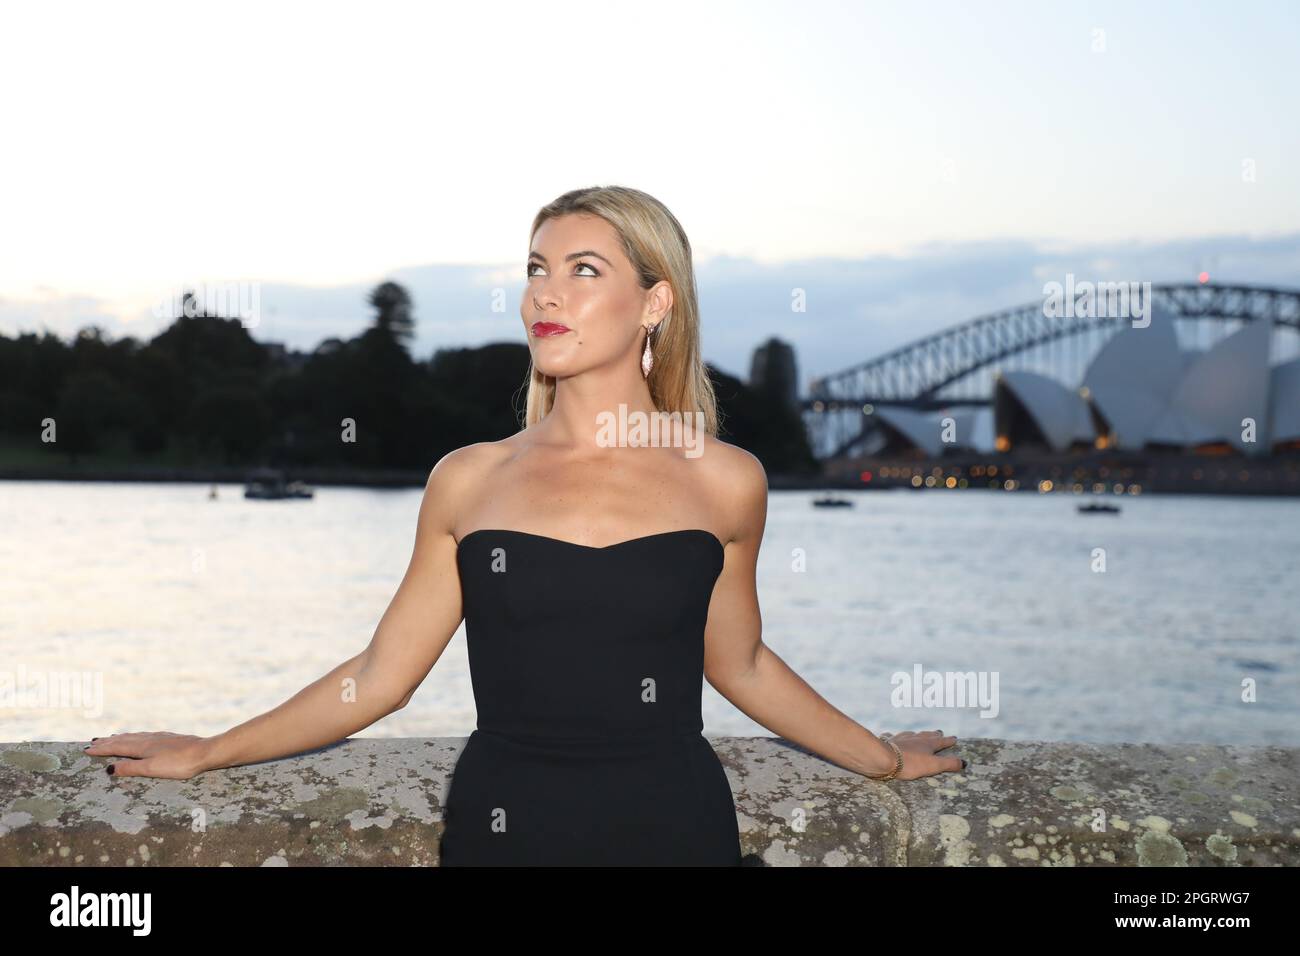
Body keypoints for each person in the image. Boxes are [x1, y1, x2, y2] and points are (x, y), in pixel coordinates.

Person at [85, 185, 966, 865]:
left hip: (676, 827)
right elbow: (382, 676)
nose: (546, 293)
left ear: (655, 303)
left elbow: (740, 663)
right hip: (507, 827)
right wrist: (209, 751)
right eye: (538, 268)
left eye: (584, 270)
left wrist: (879, 758)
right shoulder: (467, 479)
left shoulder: (728, 481)